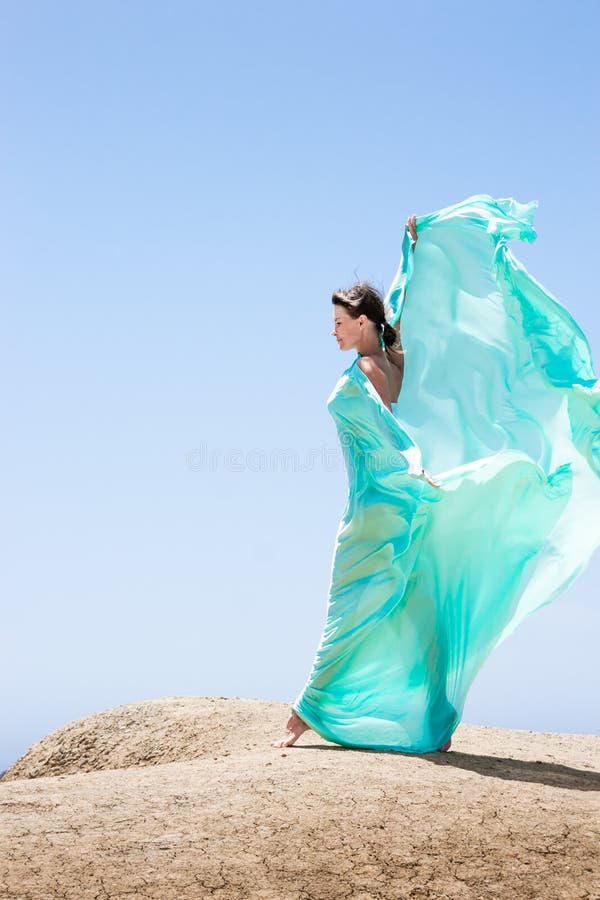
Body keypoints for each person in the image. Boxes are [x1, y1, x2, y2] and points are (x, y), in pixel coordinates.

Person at [271, 194, 600, 754]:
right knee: (416, 612)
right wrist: (413, 250)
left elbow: (393, 435)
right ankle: (434, 718)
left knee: (351, 606)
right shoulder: (396, 357)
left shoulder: (371, 370)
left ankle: (305, 716)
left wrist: (415, 471)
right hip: (399, 498)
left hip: (379, 503)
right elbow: (407, 306)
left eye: (338, 323)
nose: (332, 332)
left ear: (361, 323)